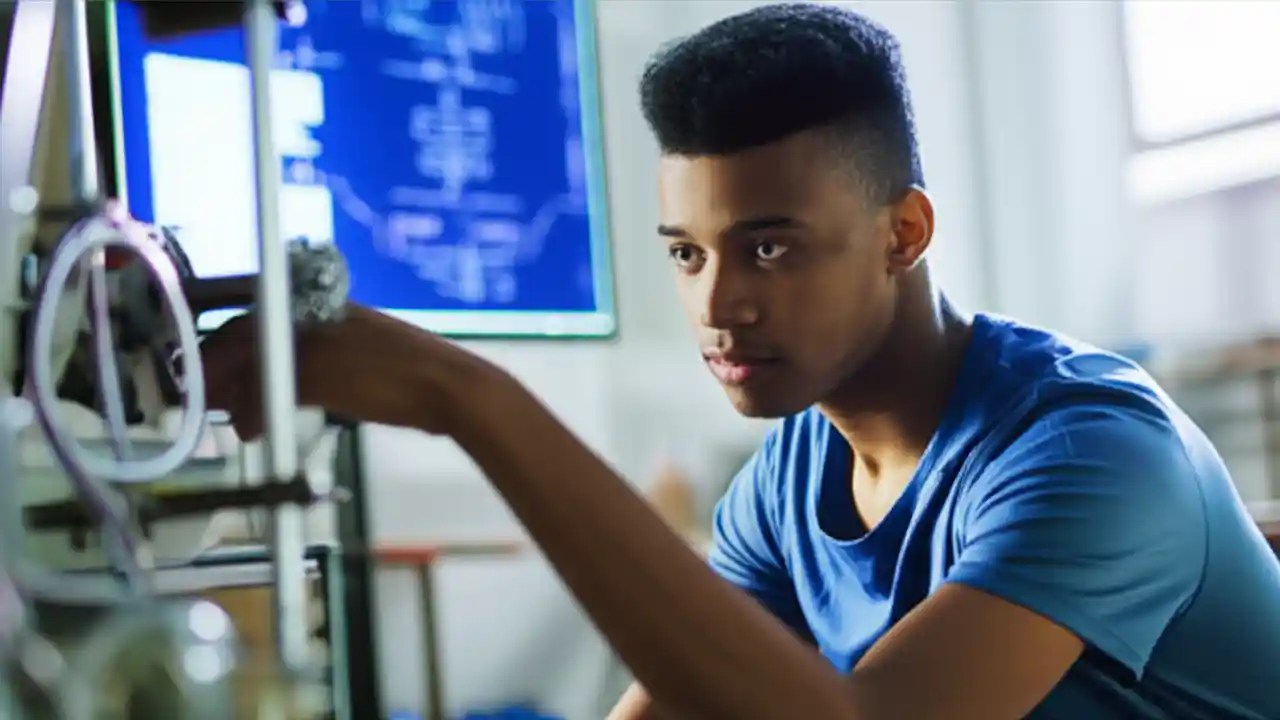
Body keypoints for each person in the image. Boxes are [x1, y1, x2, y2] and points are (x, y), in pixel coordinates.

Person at [201, 4, 1280, 719]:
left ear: (902, 233)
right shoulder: (791, 476)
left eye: (769, 247)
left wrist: (465, 397)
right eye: (687, 254)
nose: (717, 306)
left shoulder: (1087, 451)